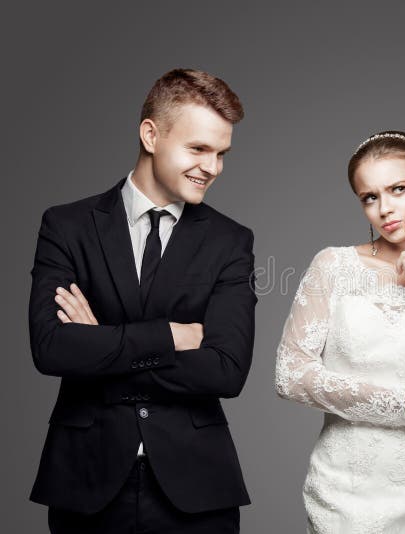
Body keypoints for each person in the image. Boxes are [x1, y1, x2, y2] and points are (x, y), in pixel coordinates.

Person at [29, 68, 256, 533]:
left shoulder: (231, 241)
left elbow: (226, 370)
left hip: (198, 489)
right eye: (198, 149)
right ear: (150, 135)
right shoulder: (67, 226)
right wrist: (169, 336)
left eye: (221, 154)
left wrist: (100, 344)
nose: (213, 167)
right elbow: (51, 348)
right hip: (85, 481)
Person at [275, 131, 405, 533]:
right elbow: (290, 377)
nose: (384, 208)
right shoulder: (332, 266)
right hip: (342, 491)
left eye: (398, 189)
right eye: (369, 197)